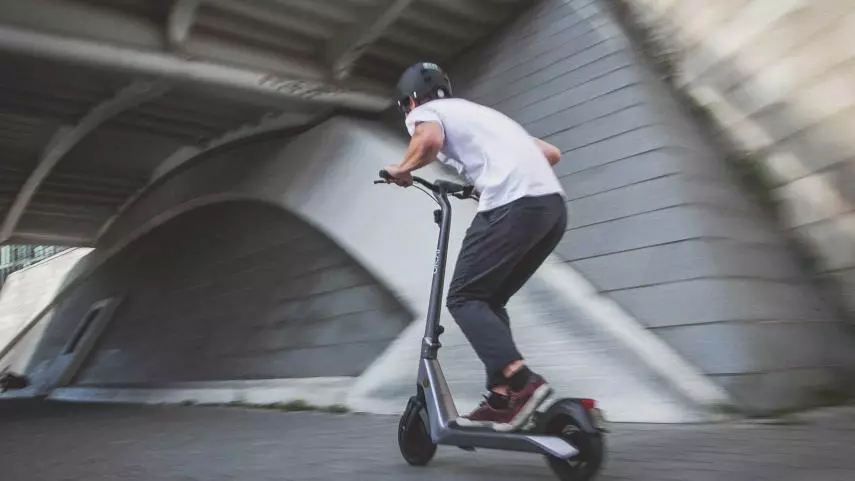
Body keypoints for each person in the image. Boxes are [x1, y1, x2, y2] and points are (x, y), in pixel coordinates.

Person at [383, 62, 568, 431]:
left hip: (513, 205)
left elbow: (429, 141)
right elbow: (551, 154)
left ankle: (521, 381)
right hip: (551, 210)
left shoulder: (425, 113)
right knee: (488, 300)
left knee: (463, 299)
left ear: (410, 101)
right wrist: (478, 184)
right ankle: (501, 398)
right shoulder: (479, 114)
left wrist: (402, 168)